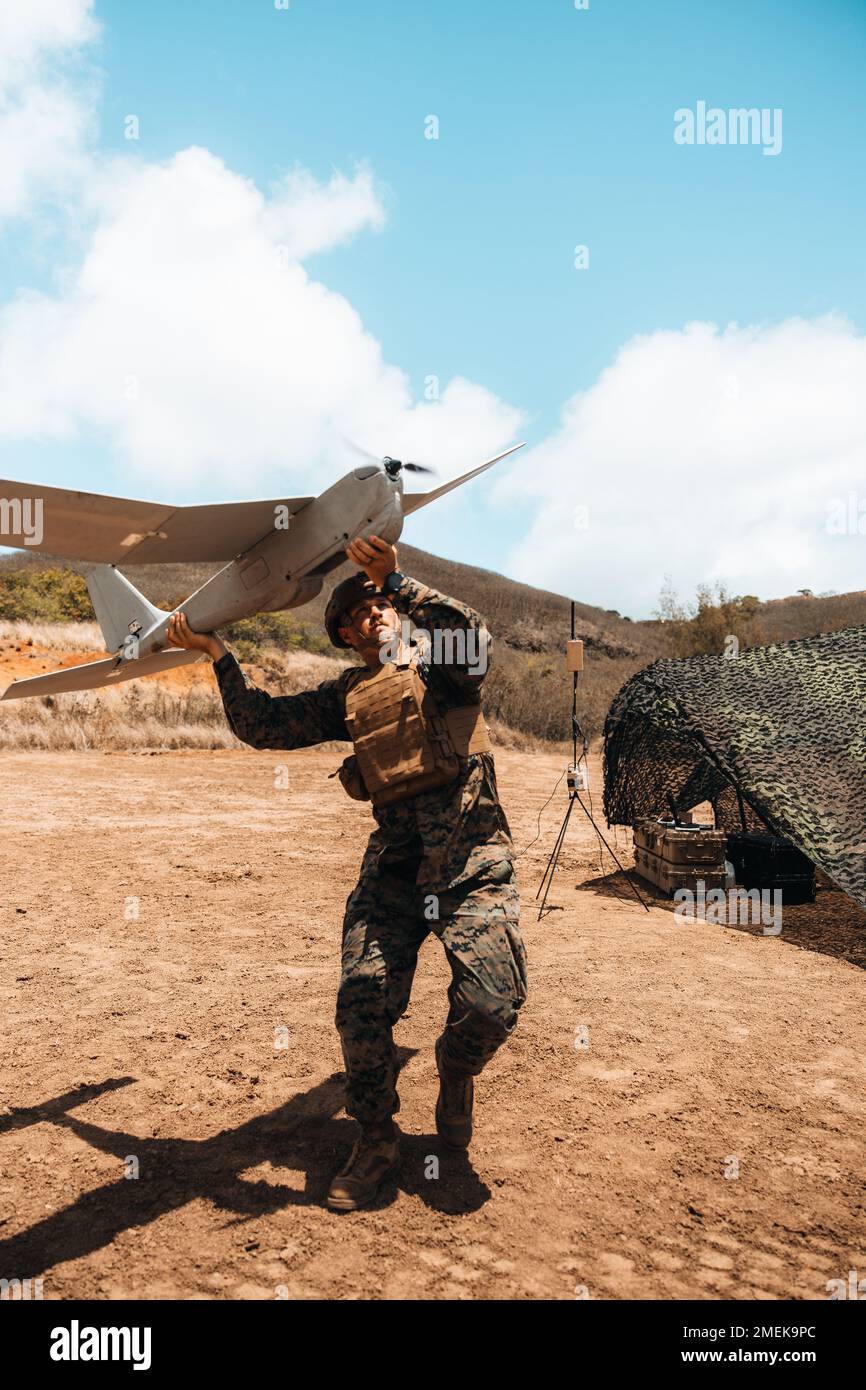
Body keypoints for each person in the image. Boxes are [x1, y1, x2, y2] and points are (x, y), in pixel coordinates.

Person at [167, 534, 528, 1211]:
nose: (371, 615)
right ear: (343, 636)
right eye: (355, 614)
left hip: (475, 866)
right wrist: (218, 655)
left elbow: (472, 638)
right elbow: (264, 724)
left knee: (491, 1007)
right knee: (361, 1004)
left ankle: (456, 1070)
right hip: (394, 872)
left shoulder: (444, 667)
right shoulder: (348, 695)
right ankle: (377, 1139)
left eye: (377, 605)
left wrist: (398, 579)